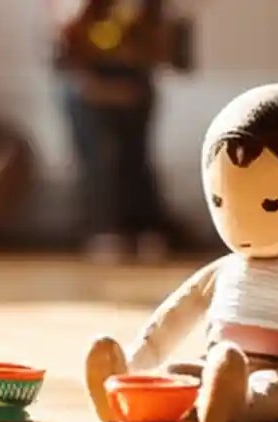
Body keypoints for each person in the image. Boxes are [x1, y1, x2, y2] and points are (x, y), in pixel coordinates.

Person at [84, 84, 278, 422]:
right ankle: (124, 394)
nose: (239, 219)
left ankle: (233, 406)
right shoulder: (225, 269)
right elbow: (172, 319)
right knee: (174, 375)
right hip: (215, 363)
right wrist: (138, 359)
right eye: (219, 201)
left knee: (274, 392)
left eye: (271, 205)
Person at [49, 0, 180, 264]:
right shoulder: (78, 12)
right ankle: (105, 227)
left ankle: (143, 227)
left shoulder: (144, 10)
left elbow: (158, 49)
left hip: (131, 83)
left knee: (135, 157)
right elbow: (65, 50)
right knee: (99, 162)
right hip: (87, 84)